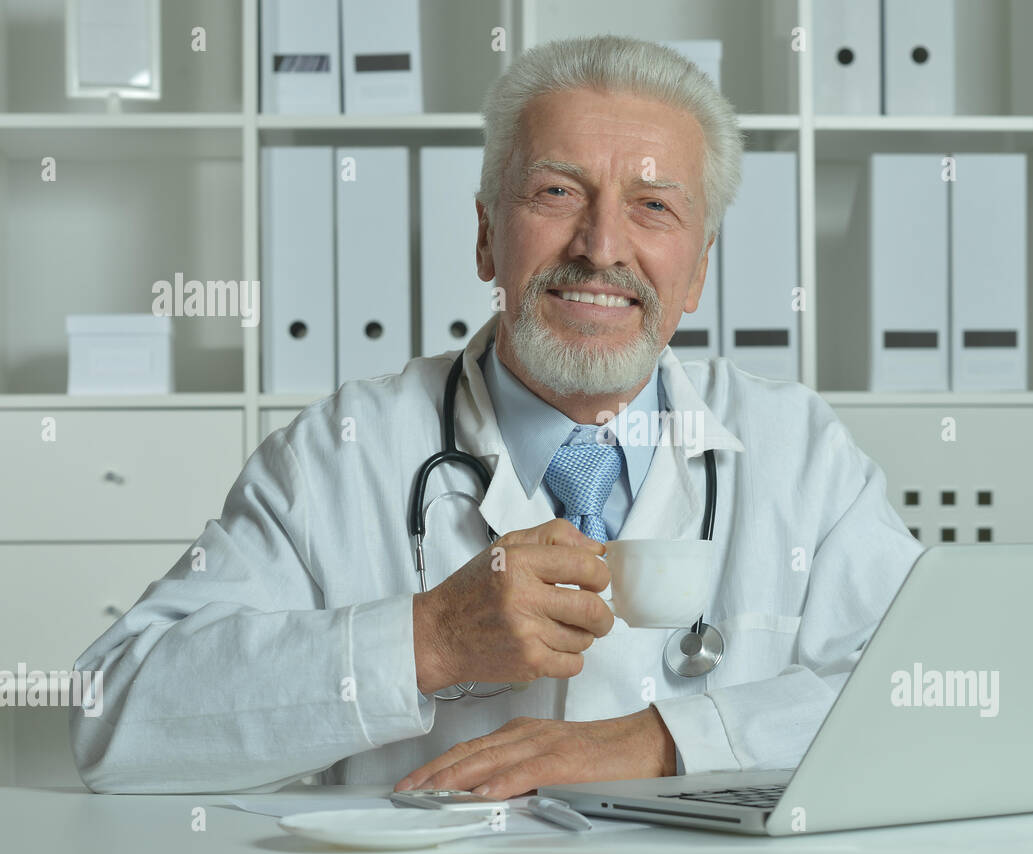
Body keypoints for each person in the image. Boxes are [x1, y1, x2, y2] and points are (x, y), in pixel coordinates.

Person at [70, 34, 923, 796]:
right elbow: (113, 716)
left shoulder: (800, 452)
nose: (601, 246)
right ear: (485, 236)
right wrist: (425, 640)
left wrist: (661, 741)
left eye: (653, 206)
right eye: (557, 192)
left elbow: (935, 686)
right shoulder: (341, 453)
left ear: (697, 270)